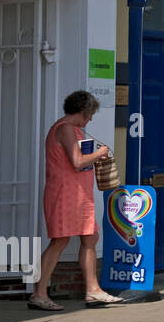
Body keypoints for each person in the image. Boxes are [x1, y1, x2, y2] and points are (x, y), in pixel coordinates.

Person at [29, 91, 120, 310]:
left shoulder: (74, 129)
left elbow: (79, 161)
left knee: (90, 236)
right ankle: (39, 293)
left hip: (78, 193)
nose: (91, 119)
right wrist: (100, 154)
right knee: (60, 240)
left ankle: (93, 290)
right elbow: (77, 161)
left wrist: (97, 156)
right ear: (82, 111)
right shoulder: (66, 128)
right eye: (89, 114)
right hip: (65, 192)